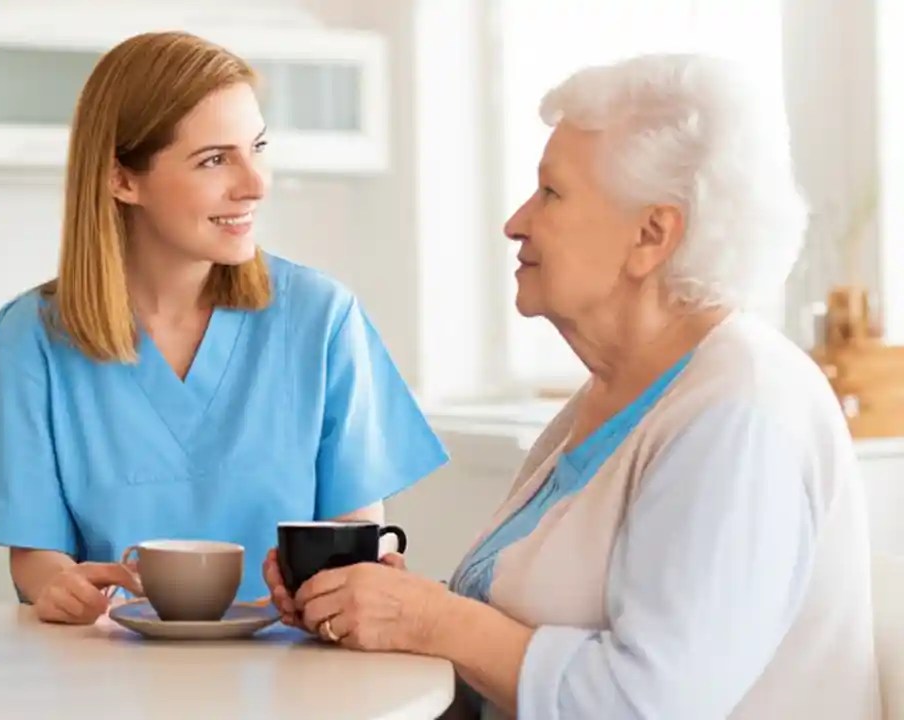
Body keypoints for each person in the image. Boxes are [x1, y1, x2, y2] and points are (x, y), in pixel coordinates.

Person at [265, 53, 882, 719]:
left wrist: (430, 621)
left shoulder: (743, 413)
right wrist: (378, 610)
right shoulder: (616, 394)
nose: (517, 222)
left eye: (551, 193)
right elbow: (525, 637)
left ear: (651, 234)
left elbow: (646, 704)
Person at [0, 31, 448, 626]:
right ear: (122, 179)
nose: (255, 183)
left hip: (294, 677)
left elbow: (355, 526)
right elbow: (35, 556)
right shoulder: (34, 338)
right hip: (108, 676)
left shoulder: (321, 318)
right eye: (214, 159)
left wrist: (361, 575)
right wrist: (60, 589)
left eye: (258, 147)